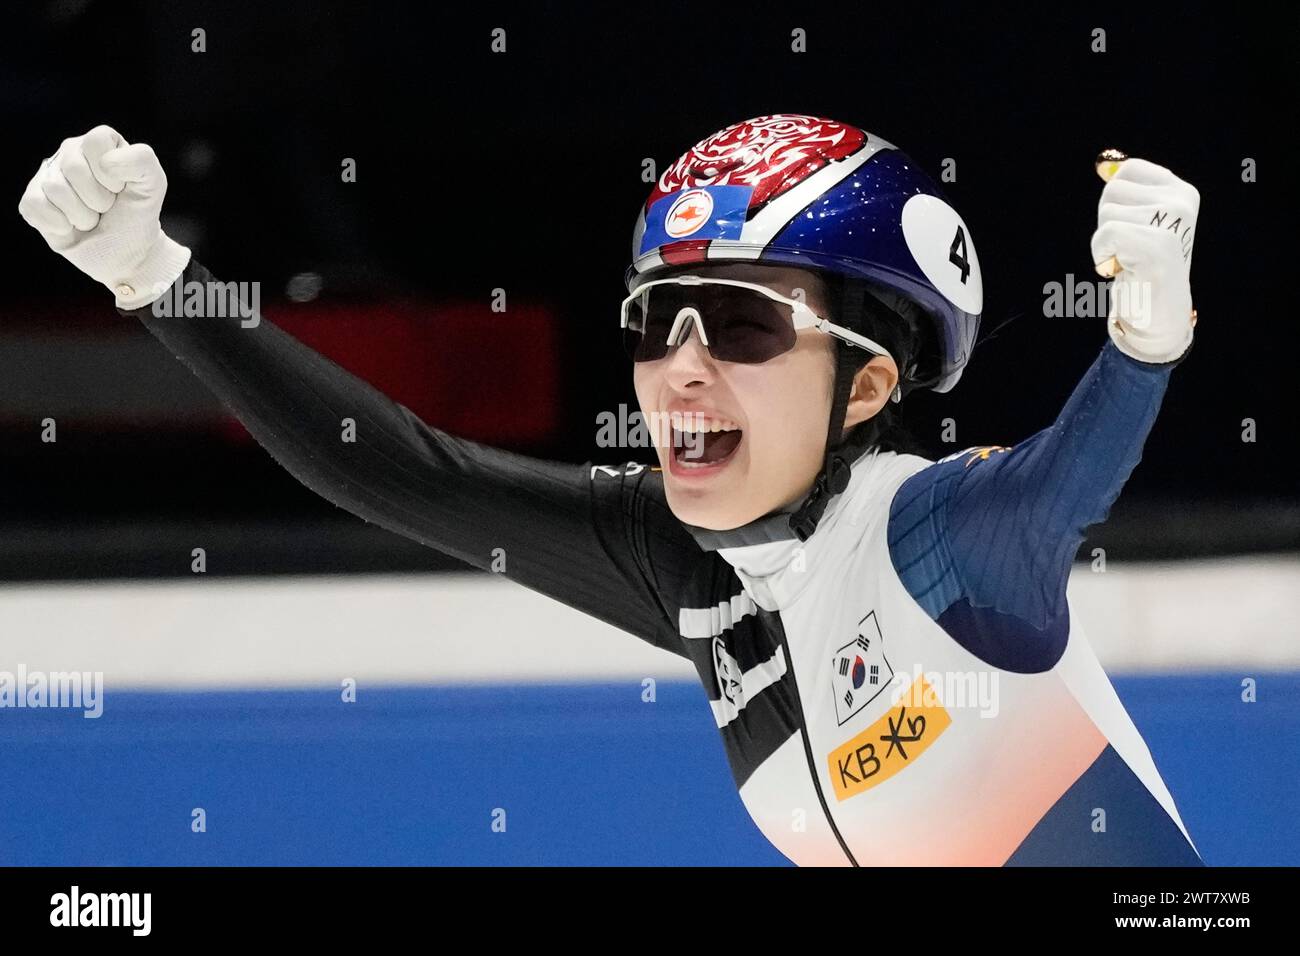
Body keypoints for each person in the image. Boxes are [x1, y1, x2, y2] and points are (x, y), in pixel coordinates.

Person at [18, 113, 1204, 866]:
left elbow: (1073, 474)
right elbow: (397, 471)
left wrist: (1146, 331)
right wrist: (157, 277)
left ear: (865, 386)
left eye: (742, 323)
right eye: (659, 320)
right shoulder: (685, 565)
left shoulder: (941, 535)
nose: (680, 364)